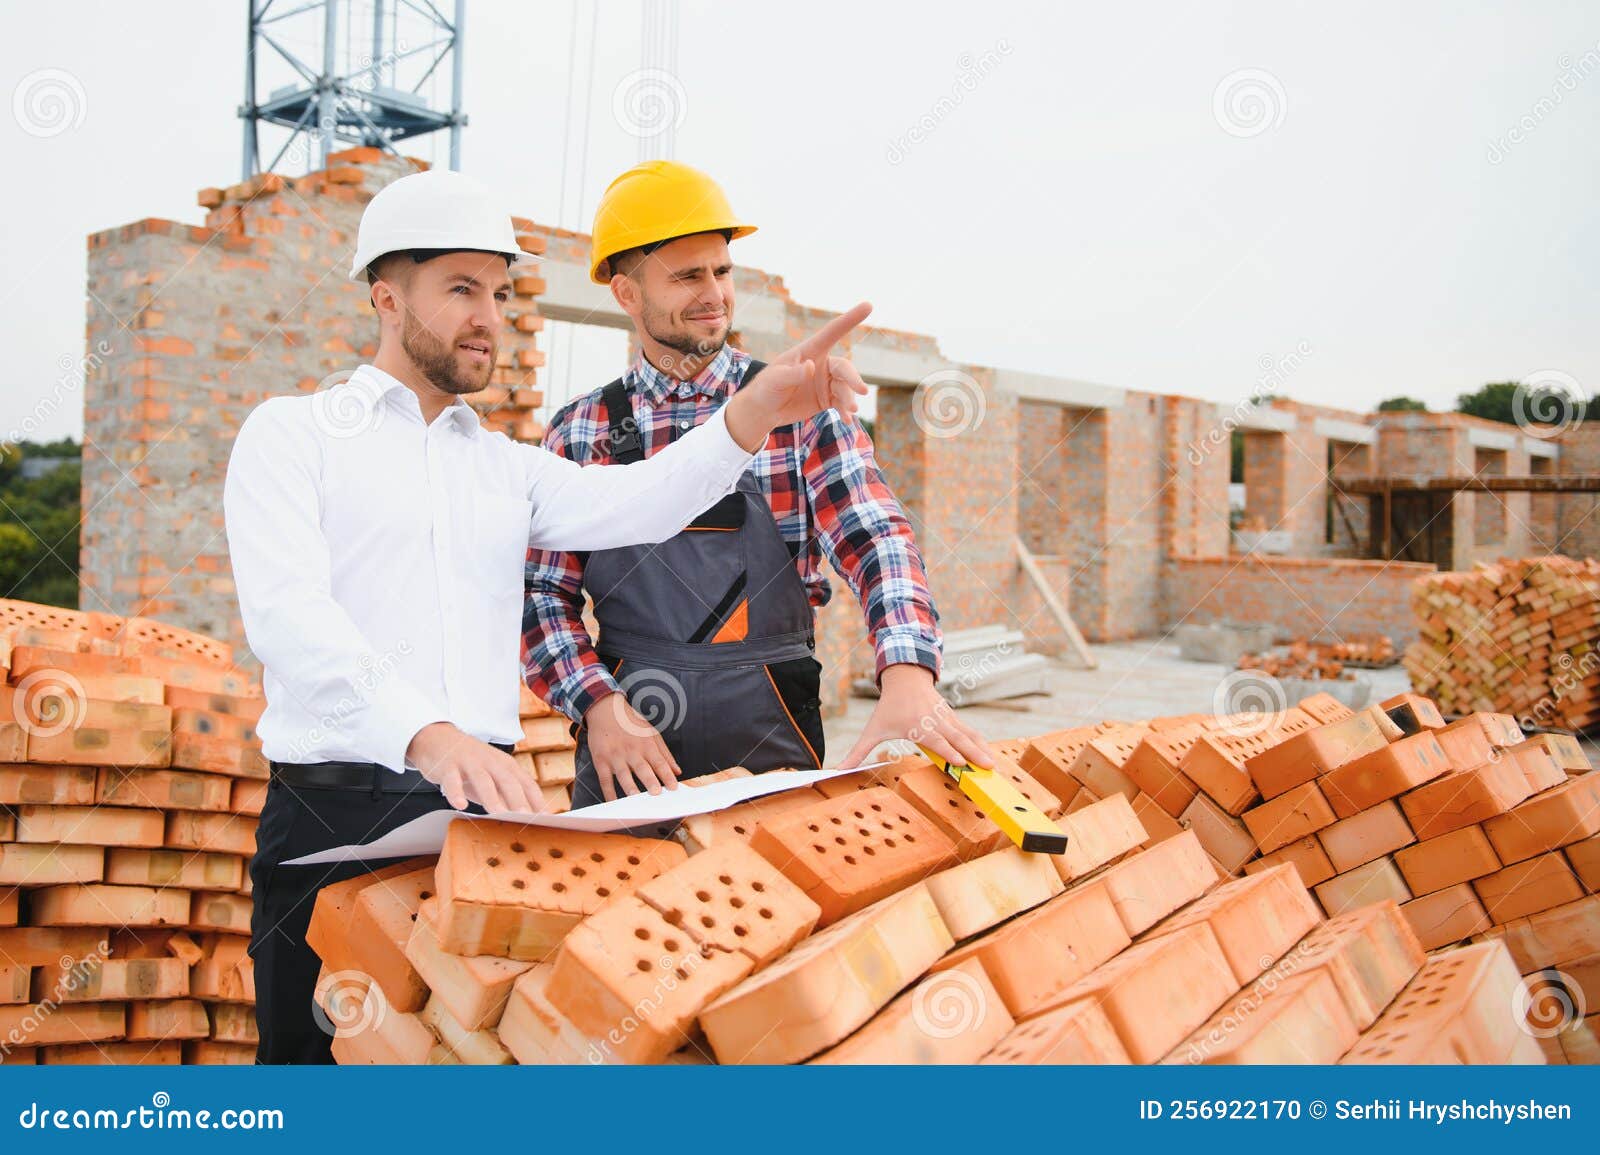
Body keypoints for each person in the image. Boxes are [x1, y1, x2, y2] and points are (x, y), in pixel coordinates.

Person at [223, 167, 869, 1063]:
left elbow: (640, 504)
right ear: (384, 295)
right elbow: (292, 619)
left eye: (498, 290)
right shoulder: (289, 436)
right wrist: (435, 737)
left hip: (473, 828)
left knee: (448, 1079)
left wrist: (751, 412)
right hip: (334, 816)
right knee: (311, 1077)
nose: (489, 314)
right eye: (459, 289)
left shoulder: (505, 467)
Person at [524, 160, 994, 808]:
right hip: (627, 753)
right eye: (687, 275)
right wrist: (598, 703)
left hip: (771, 738)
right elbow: (542, 593)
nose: (714, 291)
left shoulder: (797, 405)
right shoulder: (583, 430)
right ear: (627, 294)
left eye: (722, 270)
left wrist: (909, 672)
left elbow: (875, 535)